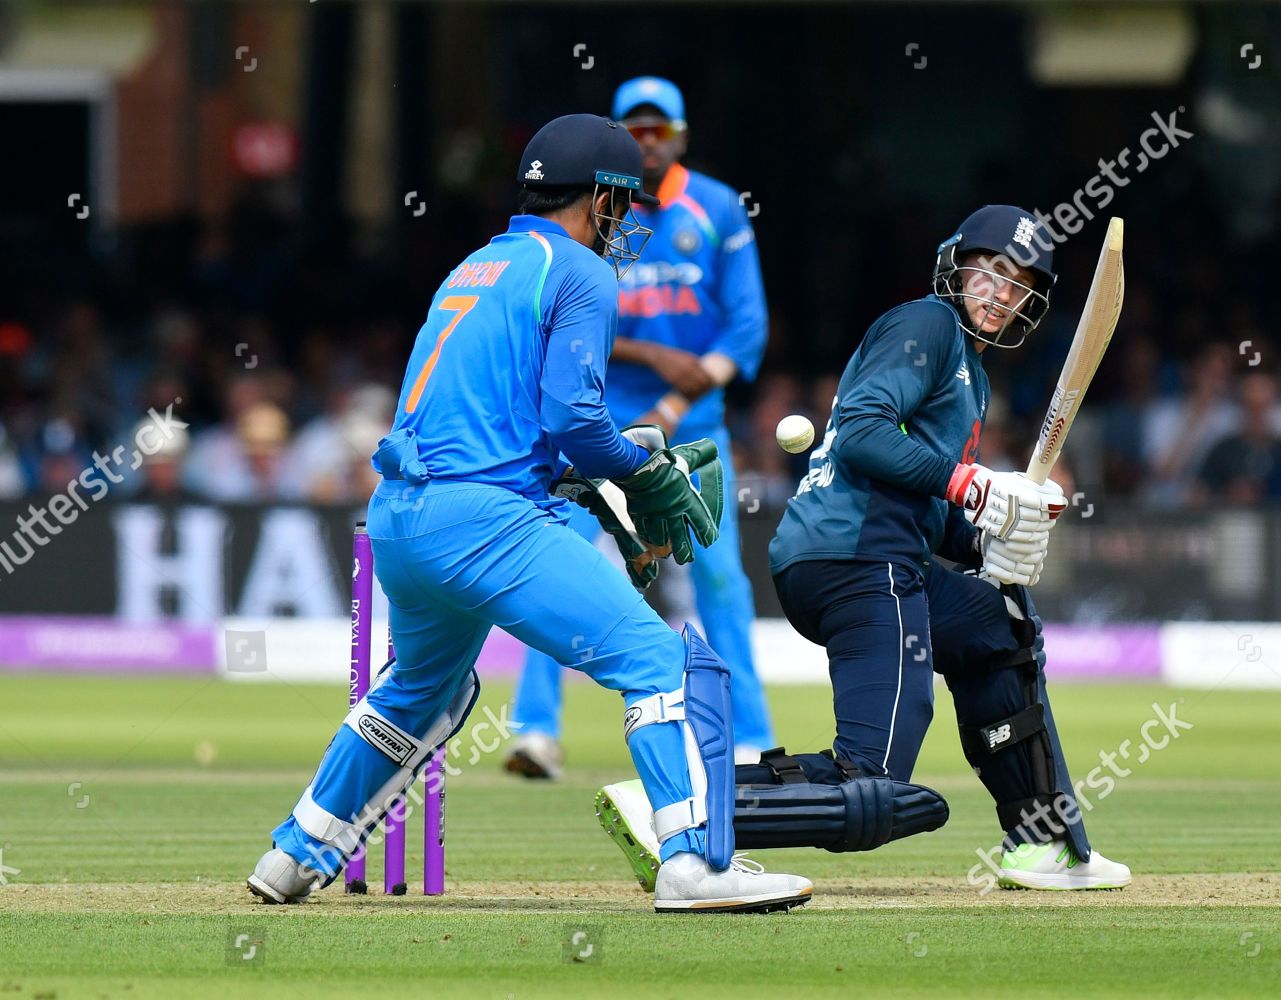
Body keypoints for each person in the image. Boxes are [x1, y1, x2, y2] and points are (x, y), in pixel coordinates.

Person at [246, 114, 811, 913]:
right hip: (483, 520)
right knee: (657, 660)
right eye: (625, 203)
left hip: (401, 518)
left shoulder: (474, 266)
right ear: (601, 198)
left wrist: (582, 476)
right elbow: (574, 419)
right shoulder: (581, 271)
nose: (629, 221)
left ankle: (293, 854)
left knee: (419, 693)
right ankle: (692, 863)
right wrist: (641, 470)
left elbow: (508, 418)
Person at [592, 206, 1130, 893]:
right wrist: (971, 484)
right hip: (855, 559)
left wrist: (997, 530)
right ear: (957, 263)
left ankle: (1041, 842)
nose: (1000, 291)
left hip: (878, 554)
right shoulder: (926, 325)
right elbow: (864, 435)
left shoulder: (972, 372)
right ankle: (674, 807)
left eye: (1018, 283)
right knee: (871, 782)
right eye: (990, 270)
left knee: (1000, 629)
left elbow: (927, 508)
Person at [507, 77, 774, 779]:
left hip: (694, 418)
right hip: (593, 408)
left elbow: (748, 326)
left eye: (660, 131)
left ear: (680, 136)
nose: (648, 143)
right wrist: (651, 353)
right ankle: (535, 730)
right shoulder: (596, 209)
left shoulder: (716, 207)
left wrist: (681, 397)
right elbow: (569, 314)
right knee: (552, 559)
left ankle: (749, 735)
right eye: (635, 131)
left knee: (717, 573)